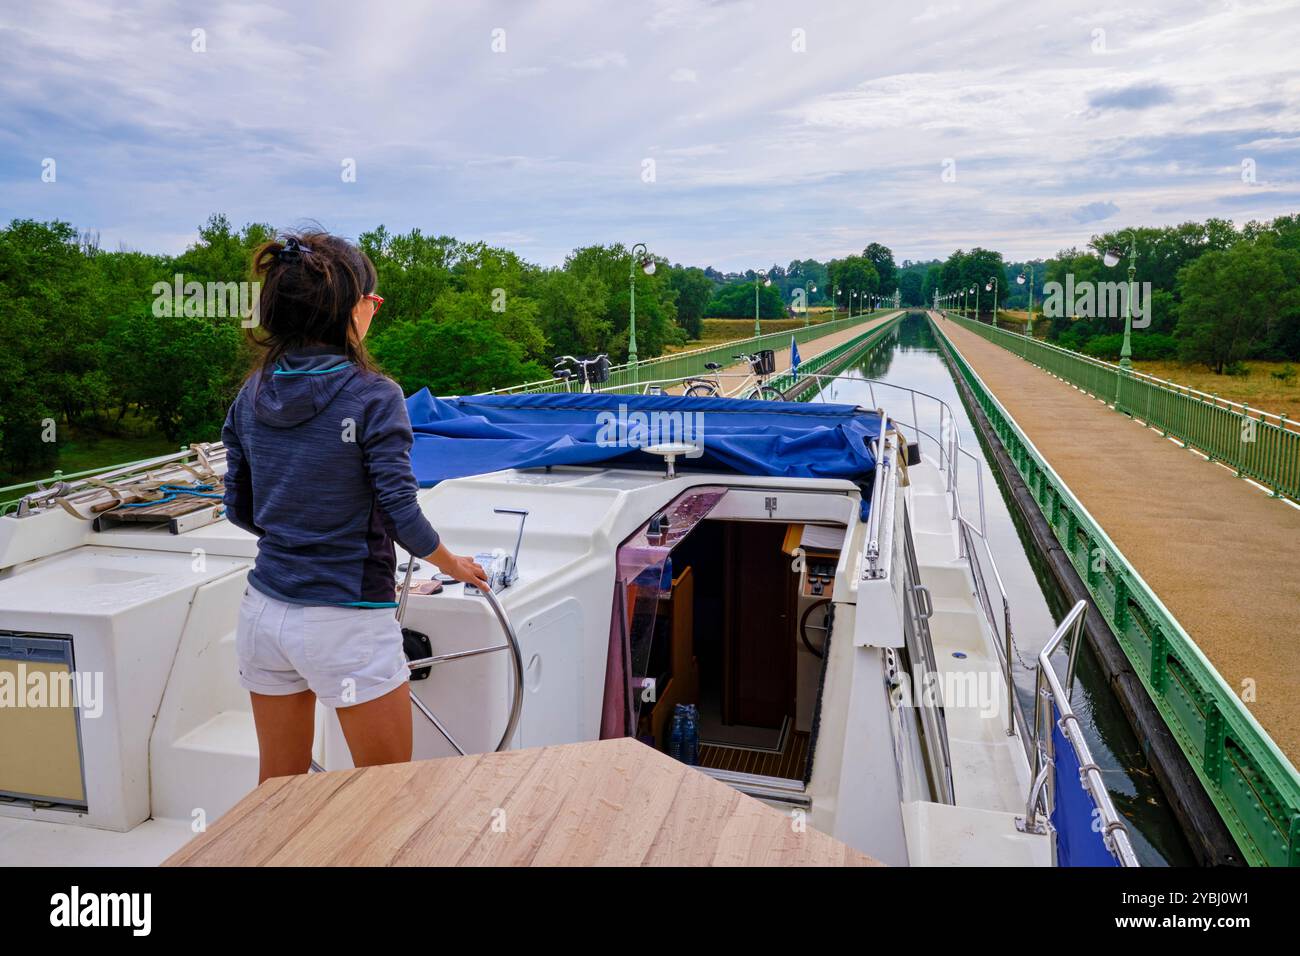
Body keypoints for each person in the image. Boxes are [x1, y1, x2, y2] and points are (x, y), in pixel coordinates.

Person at [221, 230, 489, 783]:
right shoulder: (373, 394)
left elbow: (239, 508)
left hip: (264, 614)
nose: (376, 308)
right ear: (349, 308)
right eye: (372, 298)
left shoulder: (252, 392)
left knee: (279, 788)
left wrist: (296, 530)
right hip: (346, 621)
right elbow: (398, 510)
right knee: (387, 794)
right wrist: (453, 564)